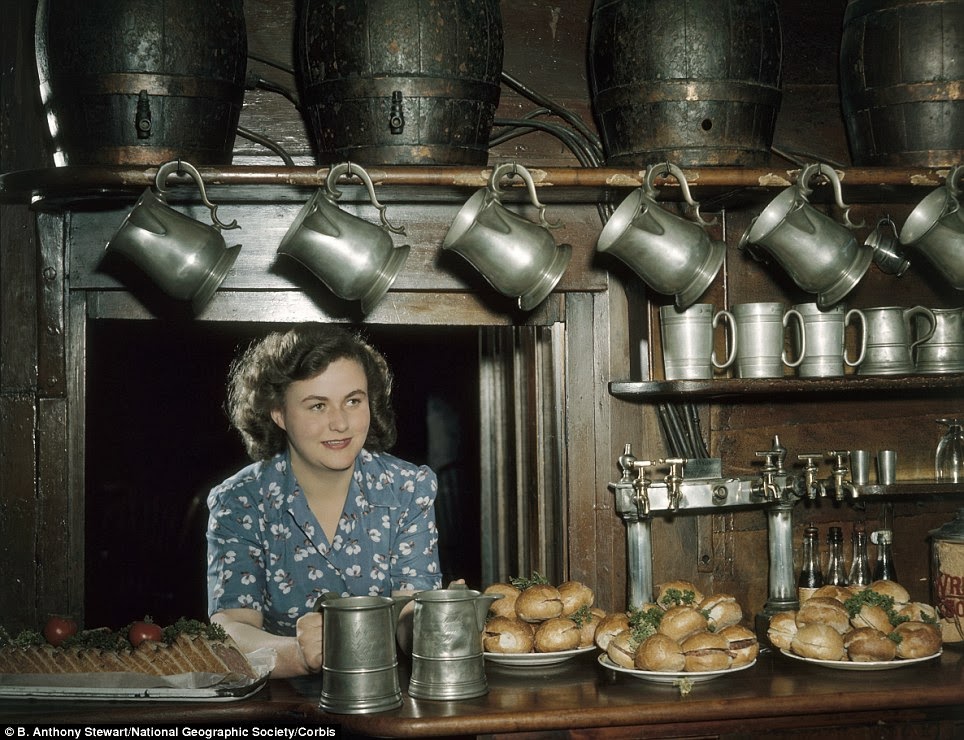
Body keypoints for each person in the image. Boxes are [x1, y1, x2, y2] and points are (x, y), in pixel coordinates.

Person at [206, 323, 443, 677]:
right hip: (279, 712)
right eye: (317, 406)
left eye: (353, 400)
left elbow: (410, 613)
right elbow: (231, 628)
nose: (340, 423)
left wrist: (439, 626)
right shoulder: (239, 501)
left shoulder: (408, 488)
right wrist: (298, 654)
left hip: (386, 702)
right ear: (278, 413)